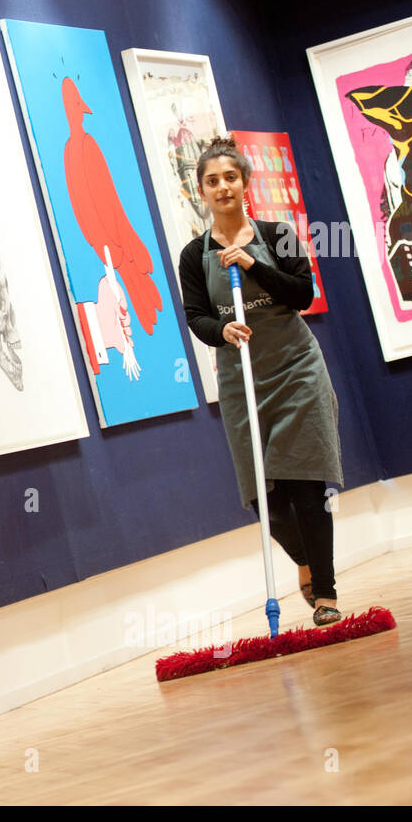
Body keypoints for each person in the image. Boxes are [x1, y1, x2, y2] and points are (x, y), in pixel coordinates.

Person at [178, 135, 344, 626]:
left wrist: (252, 263)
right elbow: (195, 316)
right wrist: (221, 329)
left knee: (306, 483)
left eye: (230, 177)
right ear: (201, 192)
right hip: (241, 379)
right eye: (212, 181)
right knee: (263, 496)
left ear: (245, 183)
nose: (222, 186)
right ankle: (307, 563)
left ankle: (326, 596)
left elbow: (303, 295)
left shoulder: (278, 235)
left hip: (296, 370)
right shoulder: (194, 255)